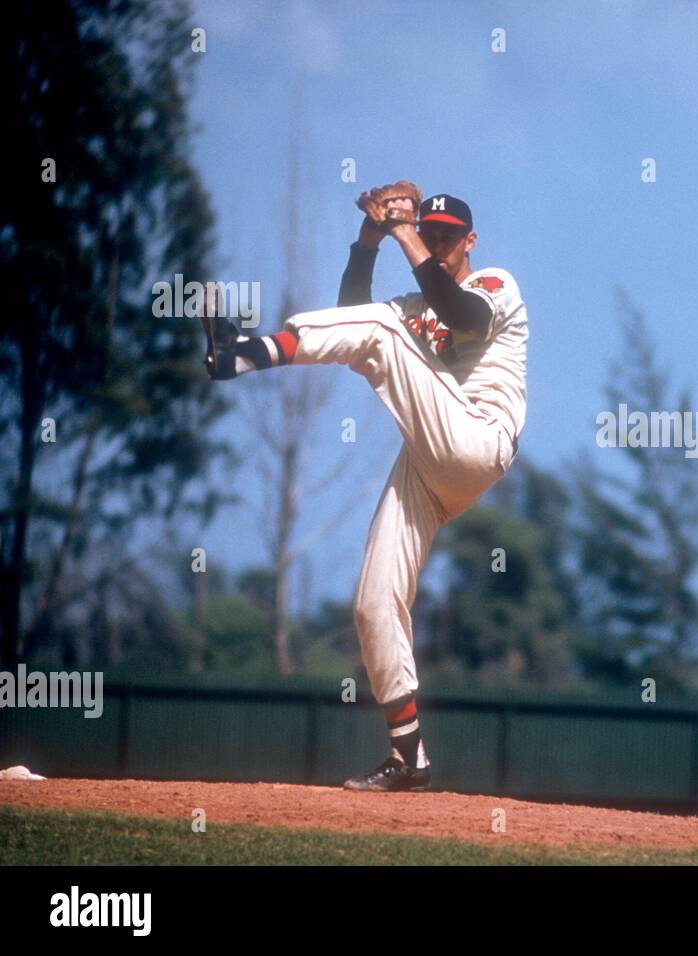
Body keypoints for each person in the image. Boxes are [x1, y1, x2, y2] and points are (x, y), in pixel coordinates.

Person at [200, 187, 527, 791]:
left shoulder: (493, 283)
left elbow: (456, 315)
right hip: (431, 462)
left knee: (380, 324)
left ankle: (241, 354)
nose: (436, 241)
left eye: (447, 235)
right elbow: (349, 320)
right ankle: (409, 757)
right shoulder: (411, 297)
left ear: (470, 242)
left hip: (479, 436)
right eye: (431, 232)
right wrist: (370, 239)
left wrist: (404, 233)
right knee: (374, 601)